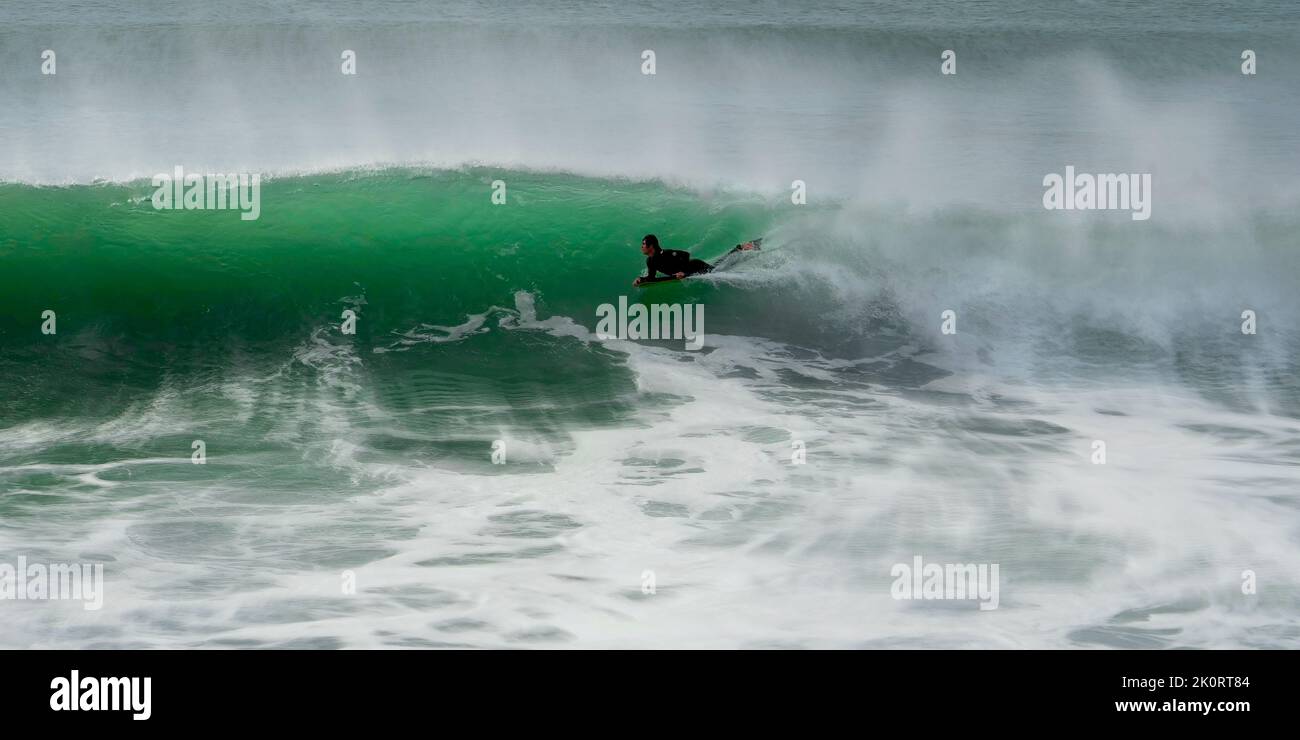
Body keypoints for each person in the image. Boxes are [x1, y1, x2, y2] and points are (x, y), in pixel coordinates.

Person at [632, 235, 760, 286]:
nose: (641, 247)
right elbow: (652, 277)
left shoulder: (665, 253)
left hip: (696, 266)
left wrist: (683, 271)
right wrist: (642, 279)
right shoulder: (650, 261)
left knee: (721, 268)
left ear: (651, 246)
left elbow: (686, 255)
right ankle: (740, 248)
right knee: (719, 266)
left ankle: (741, 248)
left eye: (643, 244)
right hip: (688, 272)